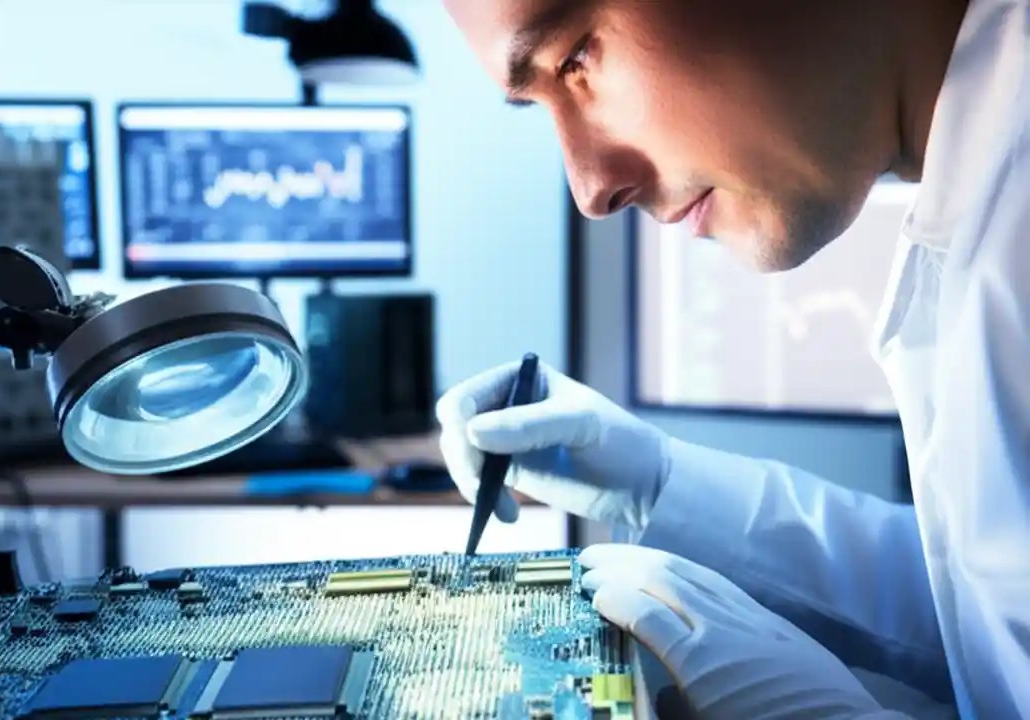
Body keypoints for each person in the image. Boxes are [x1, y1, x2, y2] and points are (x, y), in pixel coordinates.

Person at [434, 0, 1028, 717]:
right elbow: (985, 600)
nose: (591, 190)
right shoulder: (984, 186)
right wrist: (662, 483)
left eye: (576, 57)